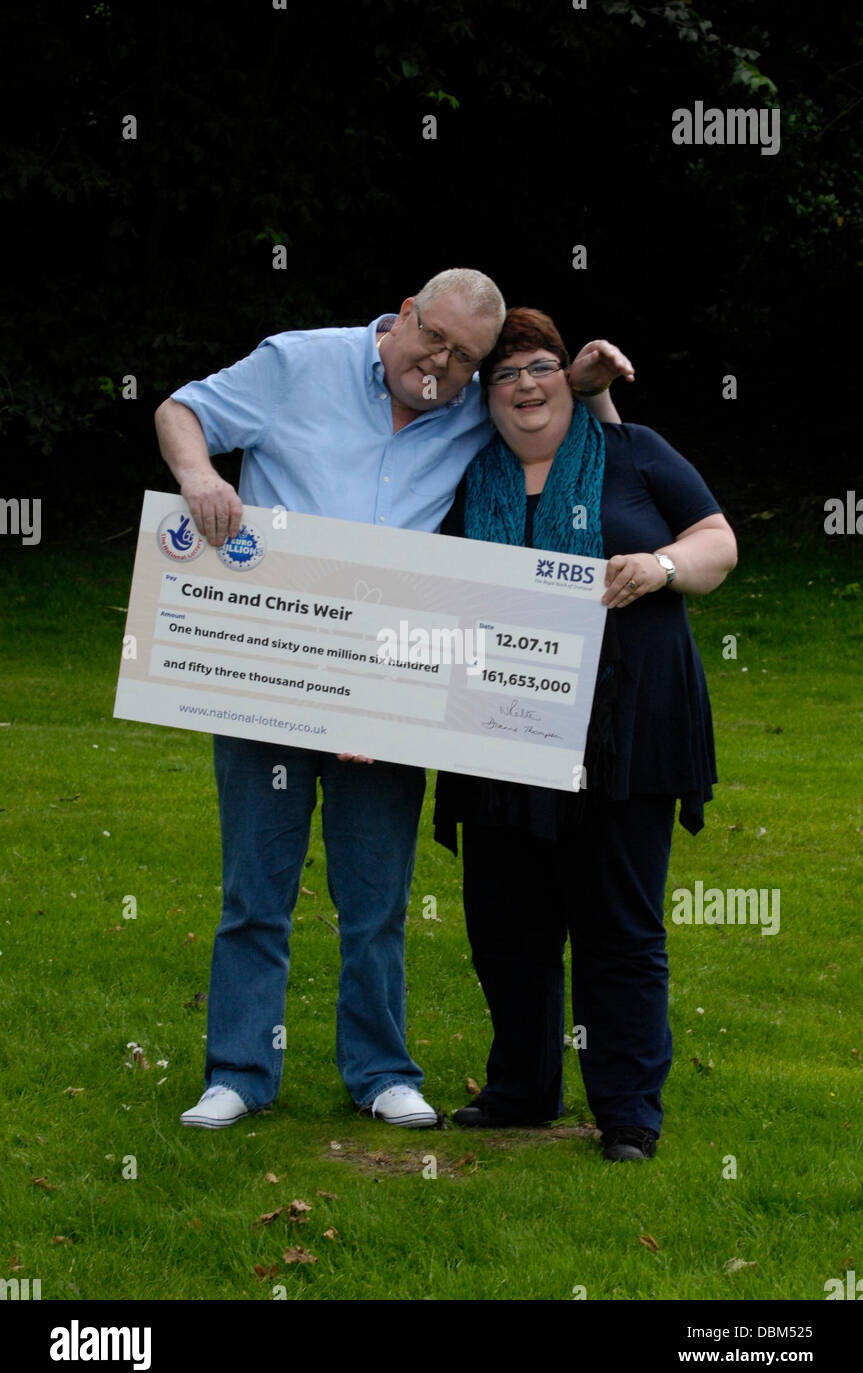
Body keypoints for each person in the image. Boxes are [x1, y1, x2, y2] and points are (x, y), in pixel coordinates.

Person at [153, 271, 633, 1130]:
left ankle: (380, 1074)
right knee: (253, 888)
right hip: (263, 657)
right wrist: (198, 476)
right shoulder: (298, 363)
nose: (441, 366)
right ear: (403, 314)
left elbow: (552, 427)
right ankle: (237, 1072)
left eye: (465, 360)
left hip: (389, 678)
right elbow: (181, 409)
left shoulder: (466, 408)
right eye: (433, 341)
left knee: (375, 898)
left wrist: (585, 387)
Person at [433, 307, 737, 1160]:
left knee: (618, 926)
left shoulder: (634, 451)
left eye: (539, 367)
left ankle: (628, 1111)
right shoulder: (465, 479)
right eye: (504, 375)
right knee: (505, 924)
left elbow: (717, 542)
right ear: (485, 399)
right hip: (497, 727)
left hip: (627, 729)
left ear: (566, 377)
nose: (523, 386)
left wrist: (661, 567)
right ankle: (522, 1090)